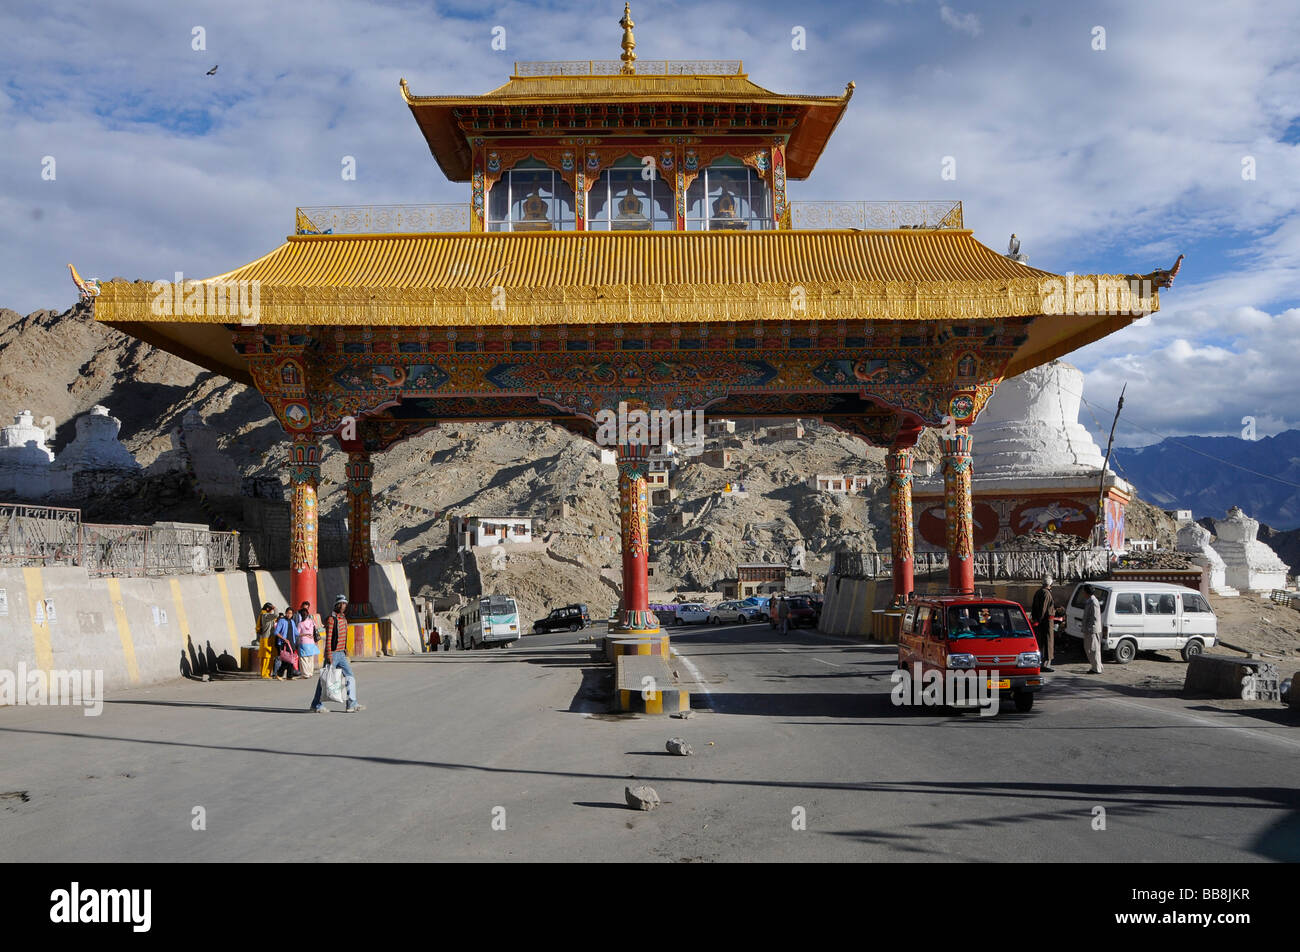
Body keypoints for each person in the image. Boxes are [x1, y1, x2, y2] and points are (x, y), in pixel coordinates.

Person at [310, 595, 364, 713]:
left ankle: (351, 703)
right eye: (341, 604)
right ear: (337, 605)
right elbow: (329, 638)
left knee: (350, 676)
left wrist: (345, 648)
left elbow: (343, 636)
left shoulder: (343, 619)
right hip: (333, 654)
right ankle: (316, 704)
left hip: (341, 654)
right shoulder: (331, 619)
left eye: (345, 604)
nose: (344, 606)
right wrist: (328, 654)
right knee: (324, 679)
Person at [1030, 577, 1056, 672]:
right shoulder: (1046, 593)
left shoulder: (1038, 592)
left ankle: (1042, 662)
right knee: (1048, 641)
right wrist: (1040, 620)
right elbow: (1043, 609)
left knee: (1041, 641)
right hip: (1046, 622)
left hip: (1040, 621)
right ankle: (1045, 663)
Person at [1081, 584, 1104, 674]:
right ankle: (1097, 666)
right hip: (1089, 629)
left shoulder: (1094, 602)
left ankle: (1096, 668)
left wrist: (1090, 629)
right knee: (1090, 648)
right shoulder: (1089, 601)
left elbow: (1095, 617)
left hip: (1092, 630)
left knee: (1093, 649)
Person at [273, 608, 299, 680]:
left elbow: (296, 633)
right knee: (286, 660)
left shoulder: (292, 621)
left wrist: (306, 634)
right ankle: (279, 674)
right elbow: (276, 632)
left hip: (291, 642)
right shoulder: (281, 621)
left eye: (290, 613)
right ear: (285, 613)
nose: (289, 615)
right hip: (284, 643)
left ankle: (289, 676)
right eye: (288, 613)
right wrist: (284, 639)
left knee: (291, 659)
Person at [256, 602, 277, 679]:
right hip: (266, 639)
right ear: (268, 609)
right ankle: (265, 674)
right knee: (266, 657)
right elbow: (276, 615)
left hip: (267, 638)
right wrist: (275, 608)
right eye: (271, 609)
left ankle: (266, 673)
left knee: (267, 657)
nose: (272, 610)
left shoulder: (263, 615)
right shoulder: (265, 615)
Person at [297, 607, 318, 679]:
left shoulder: (300, 624)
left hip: (303, 642)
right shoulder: (312, 622)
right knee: (310, 658)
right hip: (311, 642)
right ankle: (310, 673)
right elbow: (316, 628)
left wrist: (304, 634)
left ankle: (305, 674)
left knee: (303, 659)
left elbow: (297, 633)